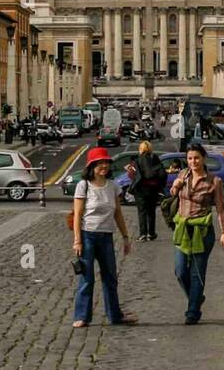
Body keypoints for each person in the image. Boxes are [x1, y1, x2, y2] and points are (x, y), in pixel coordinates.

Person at [70, 147, 137, 327]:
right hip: (87, 236)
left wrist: (125, 237)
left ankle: (115, 315)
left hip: (106, 236)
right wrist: (77, 240)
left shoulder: (113, 186)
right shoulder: (83, 185)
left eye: (106, 163)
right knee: (87, 277)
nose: (104, 166)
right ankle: (82, 316)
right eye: (100, 163)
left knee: (110, 277)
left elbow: (118, 214)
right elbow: (77, 215)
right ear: (91, 166)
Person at [168, 142, 224, 324]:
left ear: (203, 158)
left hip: (202, 232)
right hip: (182, 229)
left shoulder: (214, 181)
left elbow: (220, 208)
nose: (193, 161)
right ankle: (196, 297)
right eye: (189, 158)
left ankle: (192, 311)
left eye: (196, 158)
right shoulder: (183, 175)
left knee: (197, 273)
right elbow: (172, 194)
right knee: (180, 271)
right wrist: (176, 185)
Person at [126, 140, 166, 242]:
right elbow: (162, 174)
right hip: (153, 189)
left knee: (142, 211)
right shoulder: (155, 159)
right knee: (151, 211)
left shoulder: (137, 160)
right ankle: (151, 233)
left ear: (141, 149)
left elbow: (132, 175)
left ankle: (143, 234)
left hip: (140, 189)